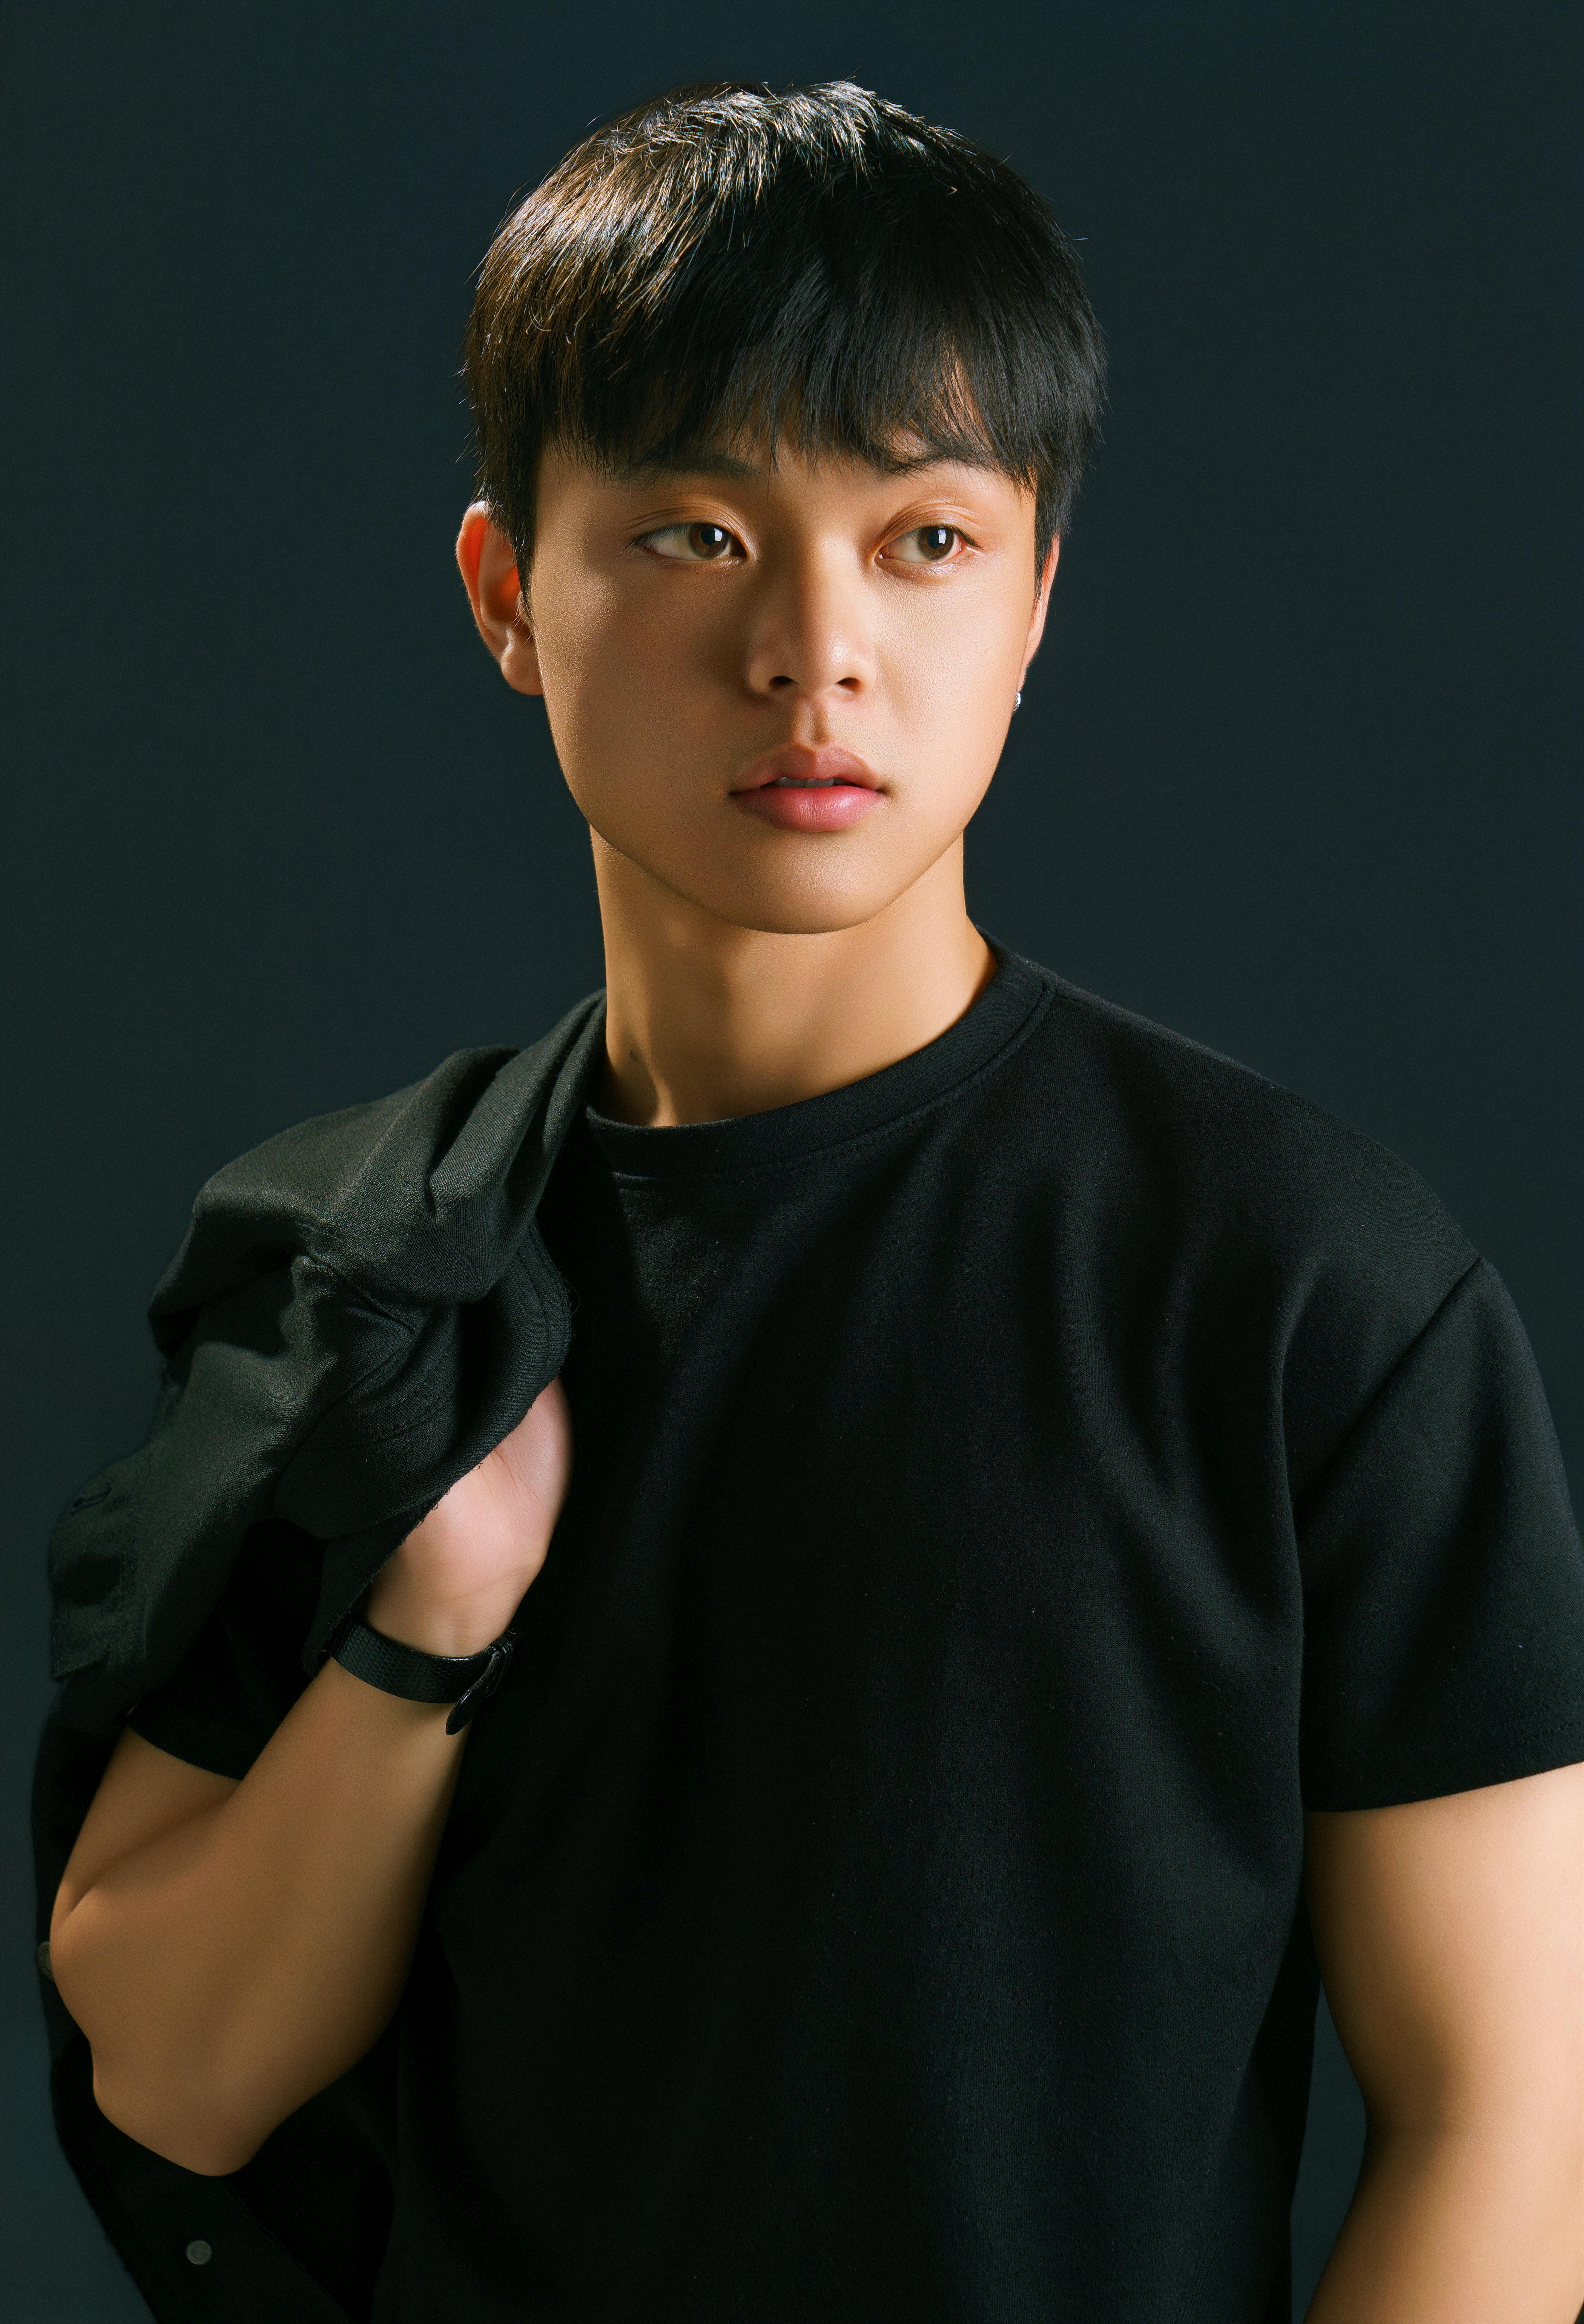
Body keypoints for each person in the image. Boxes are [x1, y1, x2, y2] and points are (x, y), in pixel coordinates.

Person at [36, 79, 1584, 2324]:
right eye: (691, 531)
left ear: (1036, 592)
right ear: (506, 594)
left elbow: (1503, 2127)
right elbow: (172, 2075)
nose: (813, 650)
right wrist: (429, 1618)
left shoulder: (1300, 1282)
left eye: (925, 540)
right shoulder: (366, 1252)